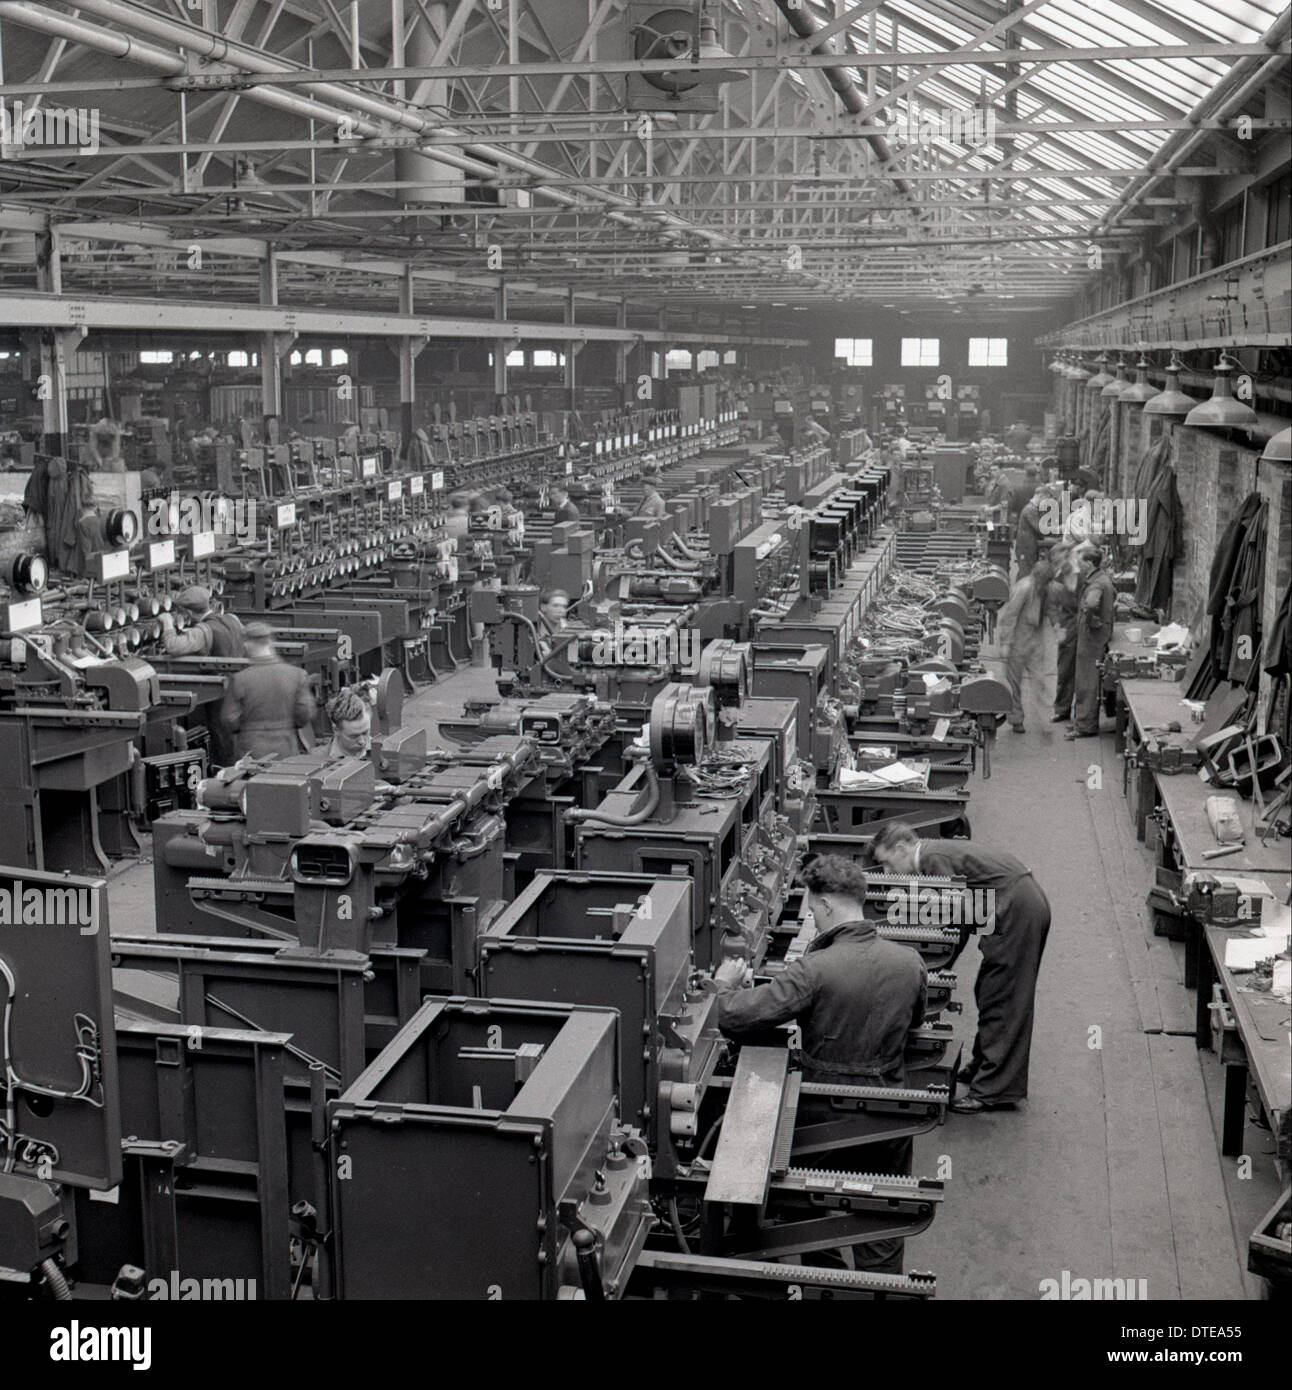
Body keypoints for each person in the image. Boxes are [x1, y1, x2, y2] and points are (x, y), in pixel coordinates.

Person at [713, 854, 927, 1271]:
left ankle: (830, 1278)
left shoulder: (814, 969)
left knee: (807, 1209)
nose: (813, 919)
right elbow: (913, 1023)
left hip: (824, 1113)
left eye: (813, 910)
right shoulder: (909, 962)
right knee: (880, 1217)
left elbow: (736, 1019)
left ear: (826, 905)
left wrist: (724, 986)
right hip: (890, 1110)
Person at [869, 824, 1051, 1114]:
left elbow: (954, 925)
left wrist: (928, 973)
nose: (889, 872)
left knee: (1003, 998)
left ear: (902, 849)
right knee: (990, 990)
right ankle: (984, 1066)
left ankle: (993, 1091)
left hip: (1016, 910)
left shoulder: (931, 860)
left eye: (887, 863)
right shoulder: (933, 853)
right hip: (1016, 904)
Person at [220, 622, 316, 759]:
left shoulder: (239, 679)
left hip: (251, 750)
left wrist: (247, 728)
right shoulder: (297, 675)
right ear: (270, 643)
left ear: (247, 645)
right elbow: (305, 712)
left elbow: (229, 719)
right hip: (286, 747)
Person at [1066, 544, 1117, 740]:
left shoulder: (1096, 584)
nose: (1079, 565)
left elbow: (1091, 604)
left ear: (1089, 563)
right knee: (1088, 679)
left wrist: (1090, 620)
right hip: (1096, 636)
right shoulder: (1101, 579)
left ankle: (1085, 726)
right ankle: (1082, 720)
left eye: (1081, 562)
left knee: (1086, 681)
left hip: (1091, 638)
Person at [997, 559, 1054, 734]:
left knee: (1039, 679)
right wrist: (1006, 643)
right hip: (1018, 641)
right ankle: (1016, 719)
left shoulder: (1042, 589)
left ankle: (1044, 718)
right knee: (1014, 683)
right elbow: (1009, 616)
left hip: (1034, 640)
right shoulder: (1023, 588)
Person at [159, 586, 246, 657]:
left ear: (190, 612)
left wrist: (167, 622)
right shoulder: (233, 618)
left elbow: (172, 647)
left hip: (219, 676)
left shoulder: (202, 632)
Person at [1013, 487, 1054, 580]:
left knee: (1025, 571)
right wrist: (1058, 528)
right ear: (1041, 496)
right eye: (1046, 499)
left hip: (1028, 546)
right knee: (1026, 574)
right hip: (1026, 547)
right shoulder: (1030, 510)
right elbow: (1040, 528)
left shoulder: (1032, 508)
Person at [325, 686, 372, 760]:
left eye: (365, 732)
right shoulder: (315, 758)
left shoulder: (385, 752)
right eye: (353, 736)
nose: (362, 742)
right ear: (335, 730)